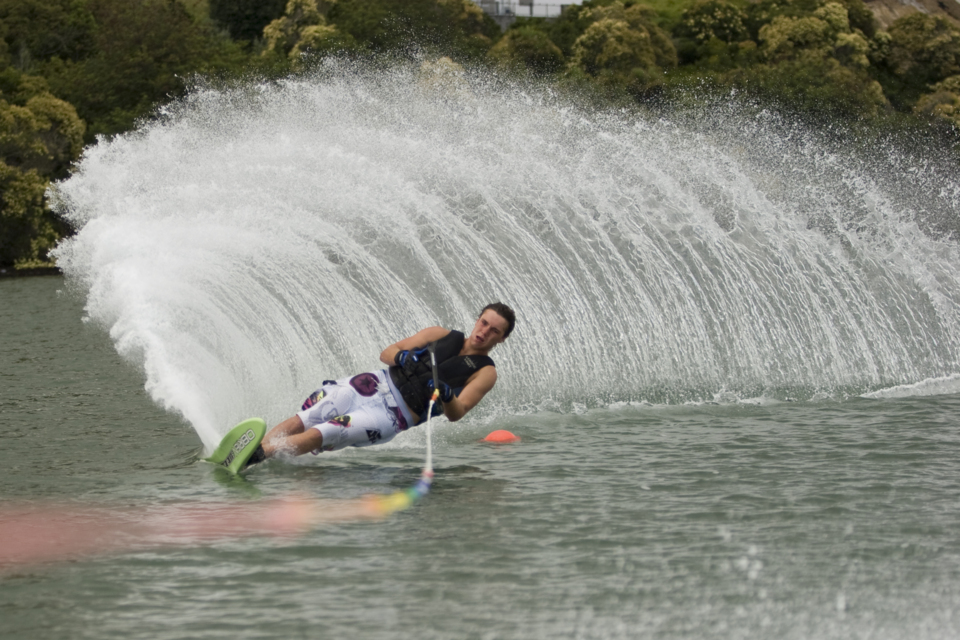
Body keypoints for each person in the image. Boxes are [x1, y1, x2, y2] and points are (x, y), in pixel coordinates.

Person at [245, 302, 515, 466]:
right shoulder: (439, 334)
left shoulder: (486, 372)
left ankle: (258, 454)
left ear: (502, 339)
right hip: (372, 383)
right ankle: (254, 454)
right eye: (484, 323)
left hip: (393, 415)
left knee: (326, 432)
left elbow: (458, 412)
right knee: (309, 417)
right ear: (477, 319)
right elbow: (387, 353)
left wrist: (447, 396)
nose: (484, 332)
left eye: (494, 331)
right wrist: (401, 357)